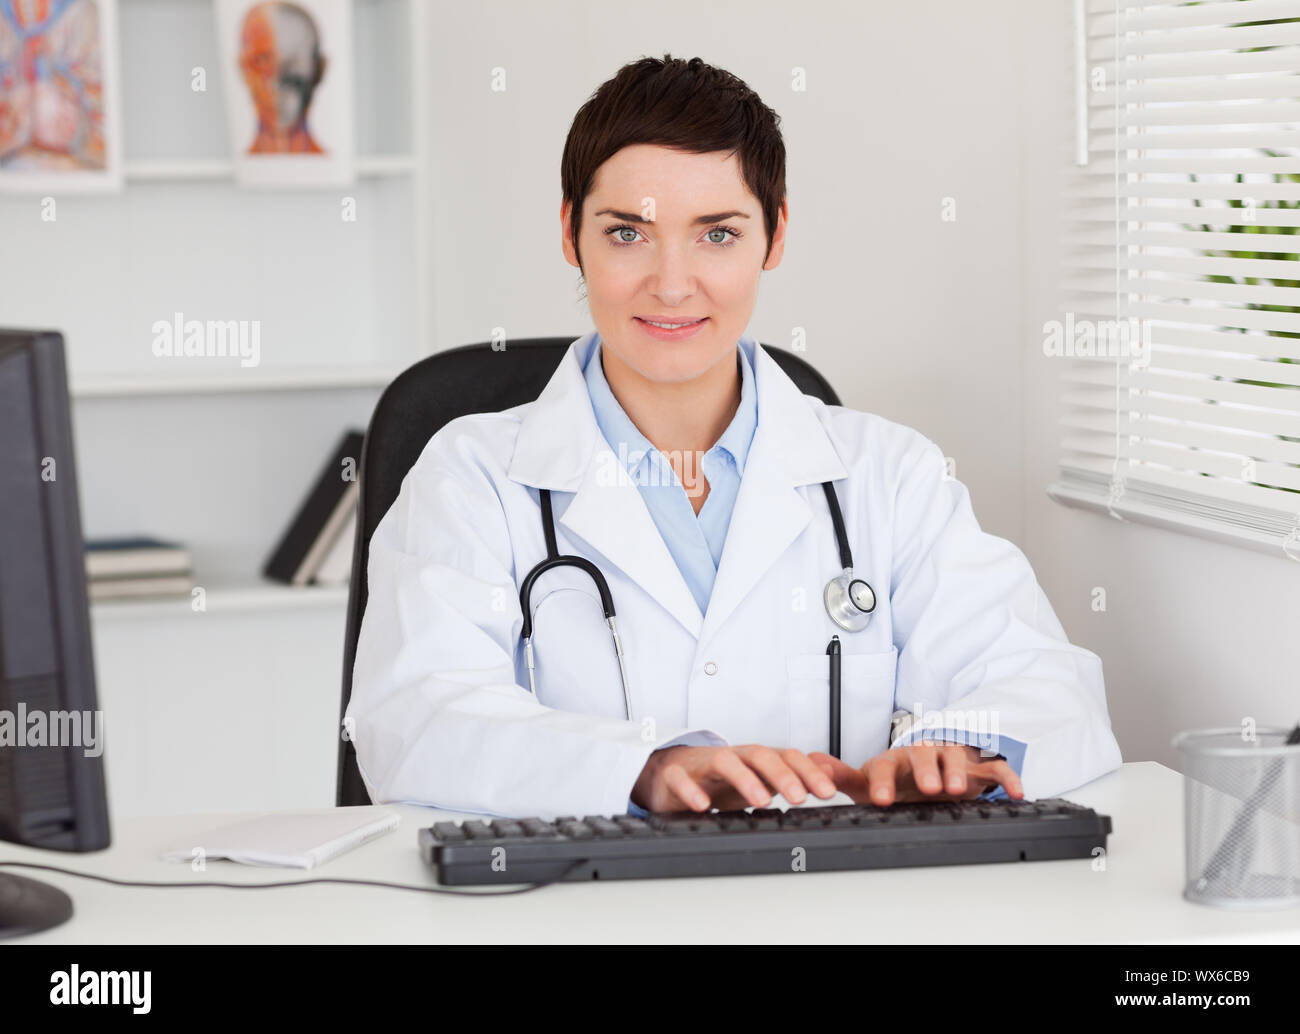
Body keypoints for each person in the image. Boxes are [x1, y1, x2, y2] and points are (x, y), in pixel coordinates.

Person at [346, 55, 1122, 819]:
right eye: (627, 233)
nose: (673, 282)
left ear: (774, 237)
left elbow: (1044, 684)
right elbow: (415, 721)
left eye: (716, 235)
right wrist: (644, 771)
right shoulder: (470, 478)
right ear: (569, 232)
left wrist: (957, 749)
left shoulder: (889, 475)